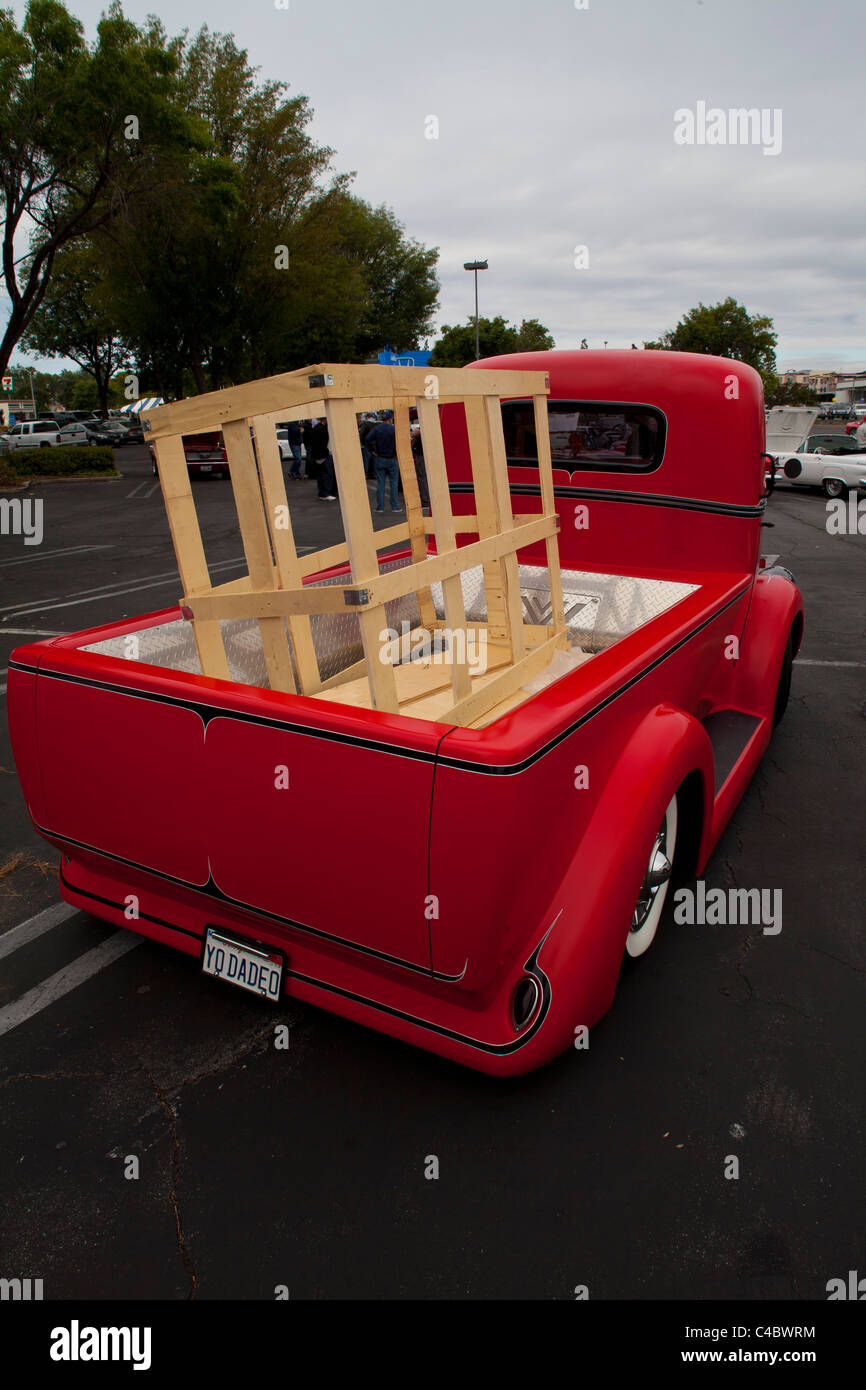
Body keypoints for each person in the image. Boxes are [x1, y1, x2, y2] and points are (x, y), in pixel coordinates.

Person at [365, 411, 402, 513]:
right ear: (390, 419)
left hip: (380, 458)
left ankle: (380, 507)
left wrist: (373, 451)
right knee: (393, 483)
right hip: (392, 458)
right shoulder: (394, 429)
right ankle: (395, 506)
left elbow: (367, 439)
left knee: (380, 483)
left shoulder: (377, 429)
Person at [307, 418, 337, 500]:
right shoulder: (322, 429)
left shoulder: (317, 428)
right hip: (324, 454)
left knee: (321, 475)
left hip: (319, 455)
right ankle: (326, 493)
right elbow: (322, 443)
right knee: (327, 474)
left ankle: (323, 493)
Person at [411, 423, 430, 508]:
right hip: (430, 454)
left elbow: (414, 433)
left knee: (422, 478)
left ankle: (426, 501)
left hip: (422, 455)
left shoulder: (425, 426)